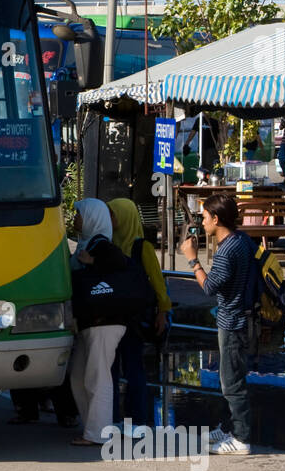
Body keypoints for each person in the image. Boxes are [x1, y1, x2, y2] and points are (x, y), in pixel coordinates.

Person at [180, 193, 253, 455]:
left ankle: (241, 438)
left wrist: (192, 259)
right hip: (241, 316)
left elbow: (209, 287)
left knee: (231, 382)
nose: (202, 222)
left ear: (217, 218)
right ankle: (228, 427)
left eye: (205, 217)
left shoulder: (226, 250)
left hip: (232, 321)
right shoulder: (242, 240)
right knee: (229, 378)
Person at [68, 199, 129, 447]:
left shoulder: (102, 245)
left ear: (92, 217)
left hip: (105, 320)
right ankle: (92, 426)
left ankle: (98, 433)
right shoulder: (87, 243)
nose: (75, 220)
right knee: (78, 376)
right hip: (89, 321)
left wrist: (92, 262)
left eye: (79, 215)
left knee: (98, 376)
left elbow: (120, 264)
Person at [107, 198, 171, 427]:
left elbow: (157, 281)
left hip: (133, 318)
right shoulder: (107, 243)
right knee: (111, 371)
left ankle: (139, 420)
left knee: (134, 369)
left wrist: (162, 311)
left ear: (125, 217)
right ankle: (112, 419)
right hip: (113, 316)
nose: (110, 219)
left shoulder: (141, 247)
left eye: (113, 214)